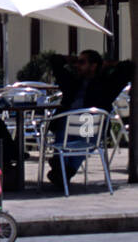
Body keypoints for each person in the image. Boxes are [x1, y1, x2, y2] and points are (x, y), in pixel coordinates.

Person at [45, 51, 132, 191]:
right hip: (68, 125)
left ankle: (61, 169)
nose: (78, 66)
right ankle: (63, 171)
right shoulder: (72, 83)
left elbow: (128, 67)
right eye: (77, 62)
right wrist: (71, 60)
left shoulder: (107, 85)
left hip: (89, 125)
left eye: (82, 62)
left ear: (94, 66)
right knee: (65, 127)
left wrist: (107, 64)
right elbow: (54, 61)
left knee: (83, 139)